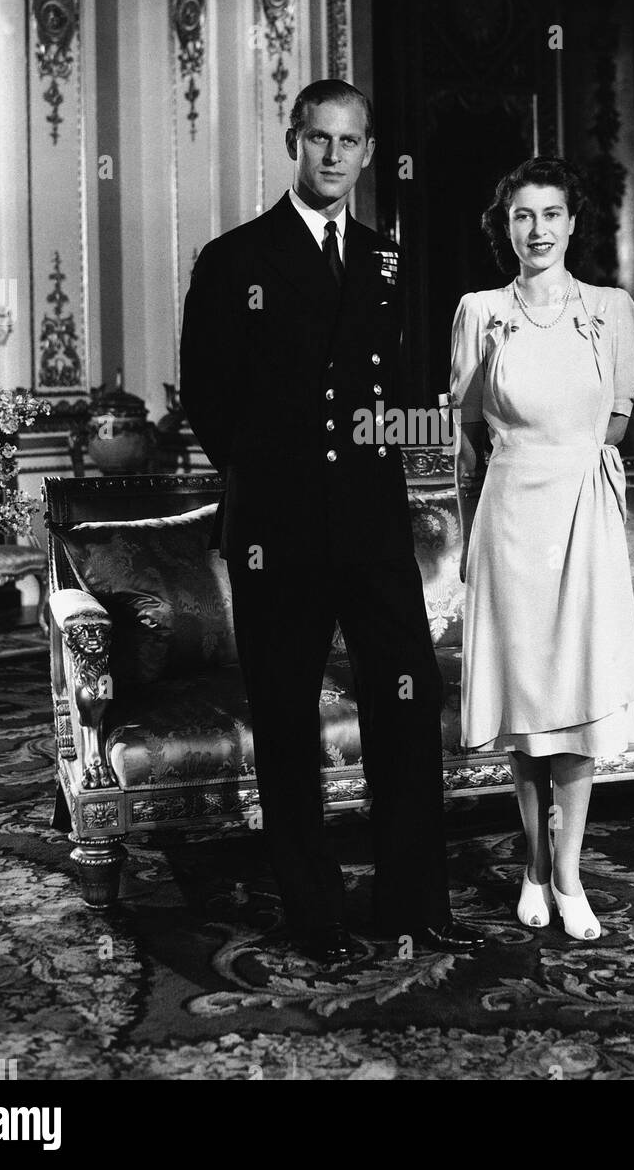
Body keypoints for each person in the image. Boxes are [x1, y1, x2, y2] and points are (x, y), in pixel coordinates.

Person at [180, 79, 483, 965]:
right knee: (284, 716)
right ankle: (313, 916)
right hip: (279, 530)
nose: (333, 157)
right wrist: (273, 479)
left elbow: (403, 390)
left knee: (407, 701)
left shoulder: (386, 260)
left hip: (374, 525)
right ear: (293, 141)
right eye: (318, 139)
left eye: (349, 143)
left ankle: (414, 904)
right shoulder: (235, 258)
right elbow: (208, 399)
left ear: (365, 152)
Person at [451, 156, 634, 941]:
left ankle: (567, 875)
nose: (538, 230)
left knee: (578, 706)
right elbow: (469, 435)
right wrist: (474, 533)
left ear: (574, 222)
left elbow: (619, 422)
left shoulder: (611, 308)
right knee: (528, 711)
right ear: (507, 227)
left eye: (553, 214)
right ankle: (533, 861)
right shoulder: (477, 310)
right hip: (508, 520)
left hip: (583, 512)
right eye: (523, 216)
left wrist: (574, 469)